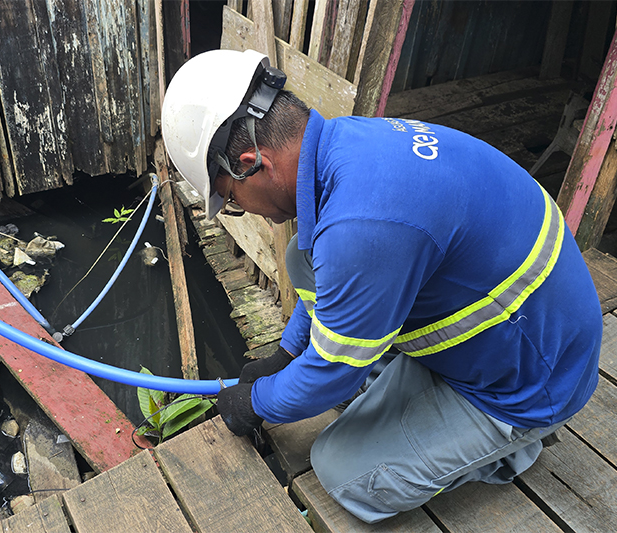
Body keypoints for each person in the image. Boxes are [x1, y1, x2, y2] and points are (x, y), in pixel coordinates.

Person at [161, 49, 602, 523]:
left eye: (230, 199)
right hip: (526, 319)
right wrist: (287, 353)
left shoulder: (364, 226)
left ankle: (513, 446)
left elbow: (333, 373)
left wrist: (256, 402)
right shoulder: (348, 144)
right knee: (301, 259)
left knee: (341, 471)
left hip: (532, 378)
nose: (242, 211)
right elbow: (338, 272)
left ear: (250, 162)